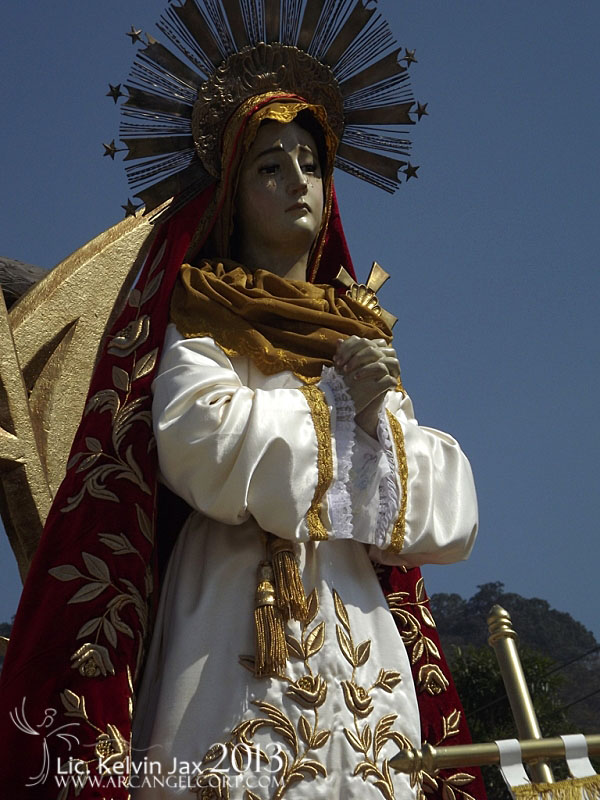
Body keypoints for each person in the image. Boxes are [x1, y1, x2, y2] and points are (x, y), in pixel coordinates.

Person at [128, 95, 478, 799]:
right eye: (270, 165)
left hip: (352, 619)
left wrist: (376, 415)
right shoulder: (201, 312)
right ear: (231, 196)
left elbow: (445, 517)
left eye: (311, 165)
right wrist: (336, 410)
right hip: (230, 602)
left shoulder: (359, 338)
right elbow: (204, 442)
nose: (297, 181)